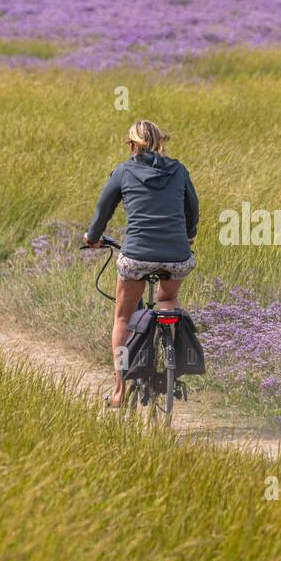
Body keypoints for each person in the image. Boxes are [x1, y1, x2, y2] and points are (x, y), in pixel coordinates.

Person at [84, 120, 199, 406]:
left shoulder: (123, 171)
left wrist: (93, 237)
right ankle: (169, 350)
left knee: (123, 317)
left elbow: (103, 209)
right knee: (168, 298)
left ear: (132, 145)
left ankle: (120, 389)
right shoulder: (179, 169)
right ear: (161, 142)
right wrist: (188, 235)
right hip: (177, 254)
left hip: (137, 255)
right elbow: (192, 208)